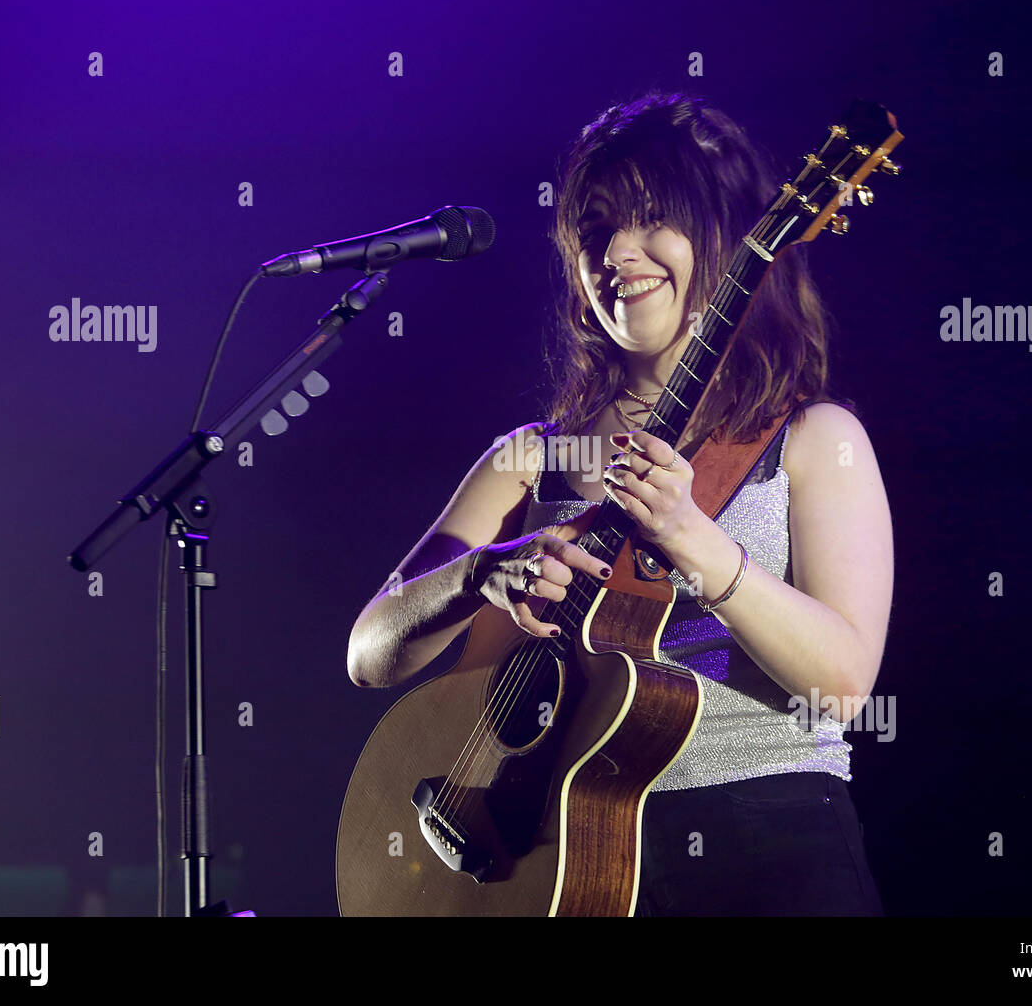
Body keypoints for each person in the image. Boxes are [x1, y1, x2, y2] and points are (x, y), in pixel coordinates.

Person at [346, 92, 893, 916]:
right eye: (594, 231)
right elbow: (370, 649)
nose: (617, 254)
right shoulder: (531, 457)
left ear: (725, 235)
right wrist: (481, 575)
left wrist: (698, 544)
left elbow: (845, 689)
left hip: (765, 841)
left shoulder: (815, 437)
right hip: (550, 853)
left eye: (649, 220)